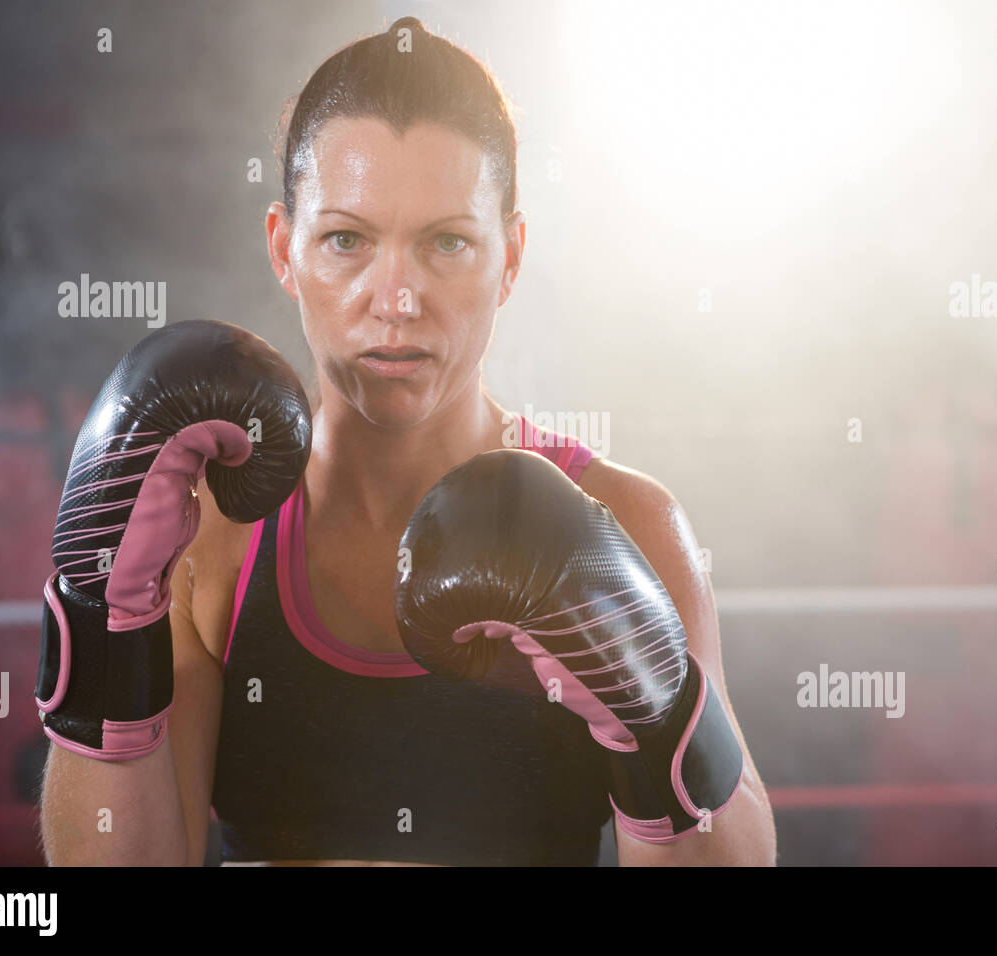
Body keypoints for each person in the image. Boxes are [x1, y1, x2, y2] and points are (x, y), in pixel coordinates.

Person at [39, 16, 776, 866]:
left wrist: (654, 705)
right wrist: (99, 614)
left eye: (449, 243)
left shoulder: (628, 526)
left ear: (511, 256)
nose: (396, 298)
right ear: (285, 249)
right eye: (347, 239)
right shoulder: (214, 540)